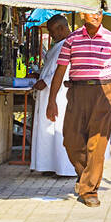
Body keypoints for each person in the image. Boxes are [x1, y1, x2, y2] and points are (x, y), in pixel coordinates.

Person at [46, 9, 111, 206]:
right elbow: (60, 70)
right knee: (71, 140)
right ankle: (85, 174)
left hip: (104, 91)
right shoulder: (72, 39)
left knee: (97, 143)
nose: (96, 16)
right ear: (82, 14)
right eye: (91, 13)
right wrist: (51, 101)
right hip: (77, 92)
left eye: (99, 13)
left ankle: (89, 189)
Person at [30, 15, 76, 177]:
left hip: (59, 96)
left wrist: (45, 82)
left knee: (58, 131)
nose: (51, 35)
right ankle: (50, 165)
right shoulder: (60, 45)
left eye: (52, 31)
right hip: (50, 94)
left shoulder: (67, 45)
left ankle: (63, 168)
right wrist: (39, 76)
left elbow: (60, 72)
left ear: (61, 29)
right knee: (48, 133)